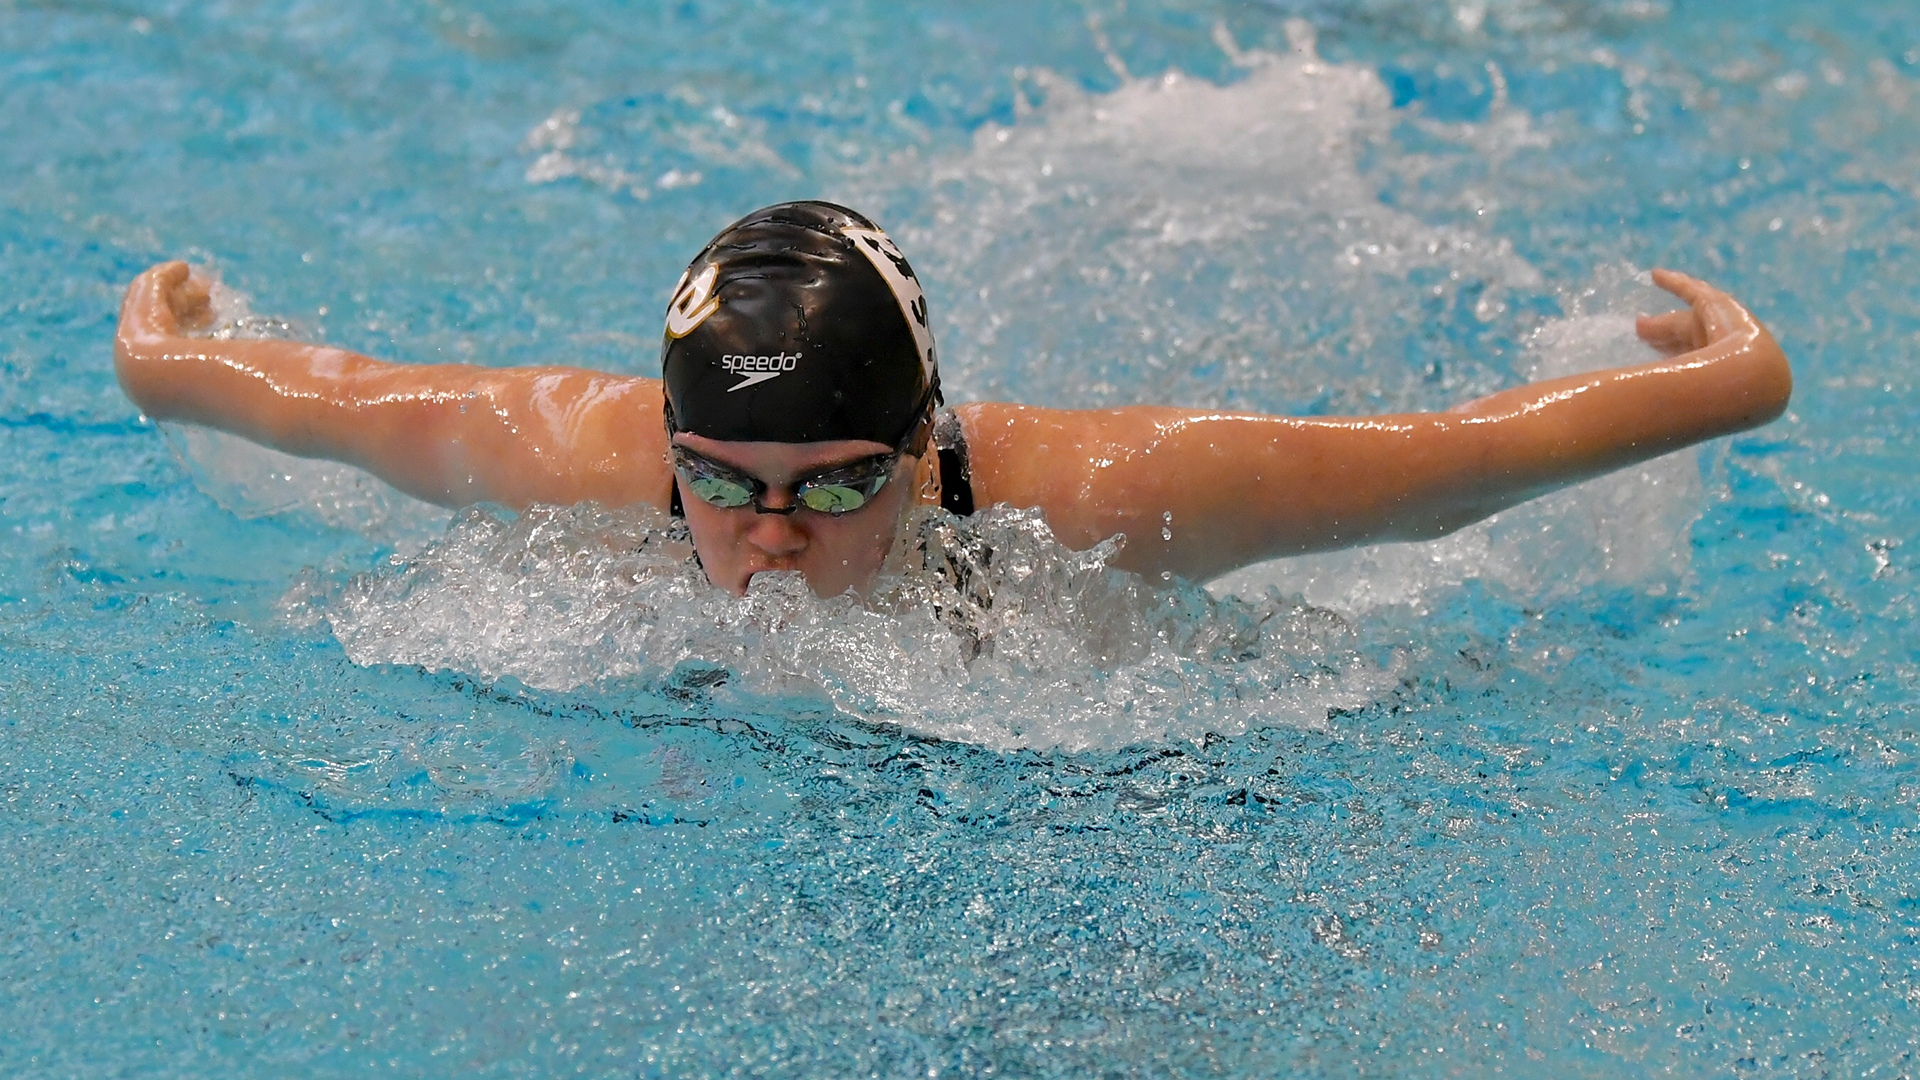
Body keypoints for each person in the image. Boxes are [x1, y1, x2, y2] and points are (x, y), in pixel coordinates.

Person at [114, 200, 1791, 597]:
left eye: (838, 487)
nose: (770, 539)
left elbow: (1452, 463)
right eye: (726, 484)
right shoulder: (574, 453)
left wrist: (1732, 376)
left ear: (927, 446)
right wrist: (164, 346)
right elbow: (313, 398)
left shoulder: (1115, 492)